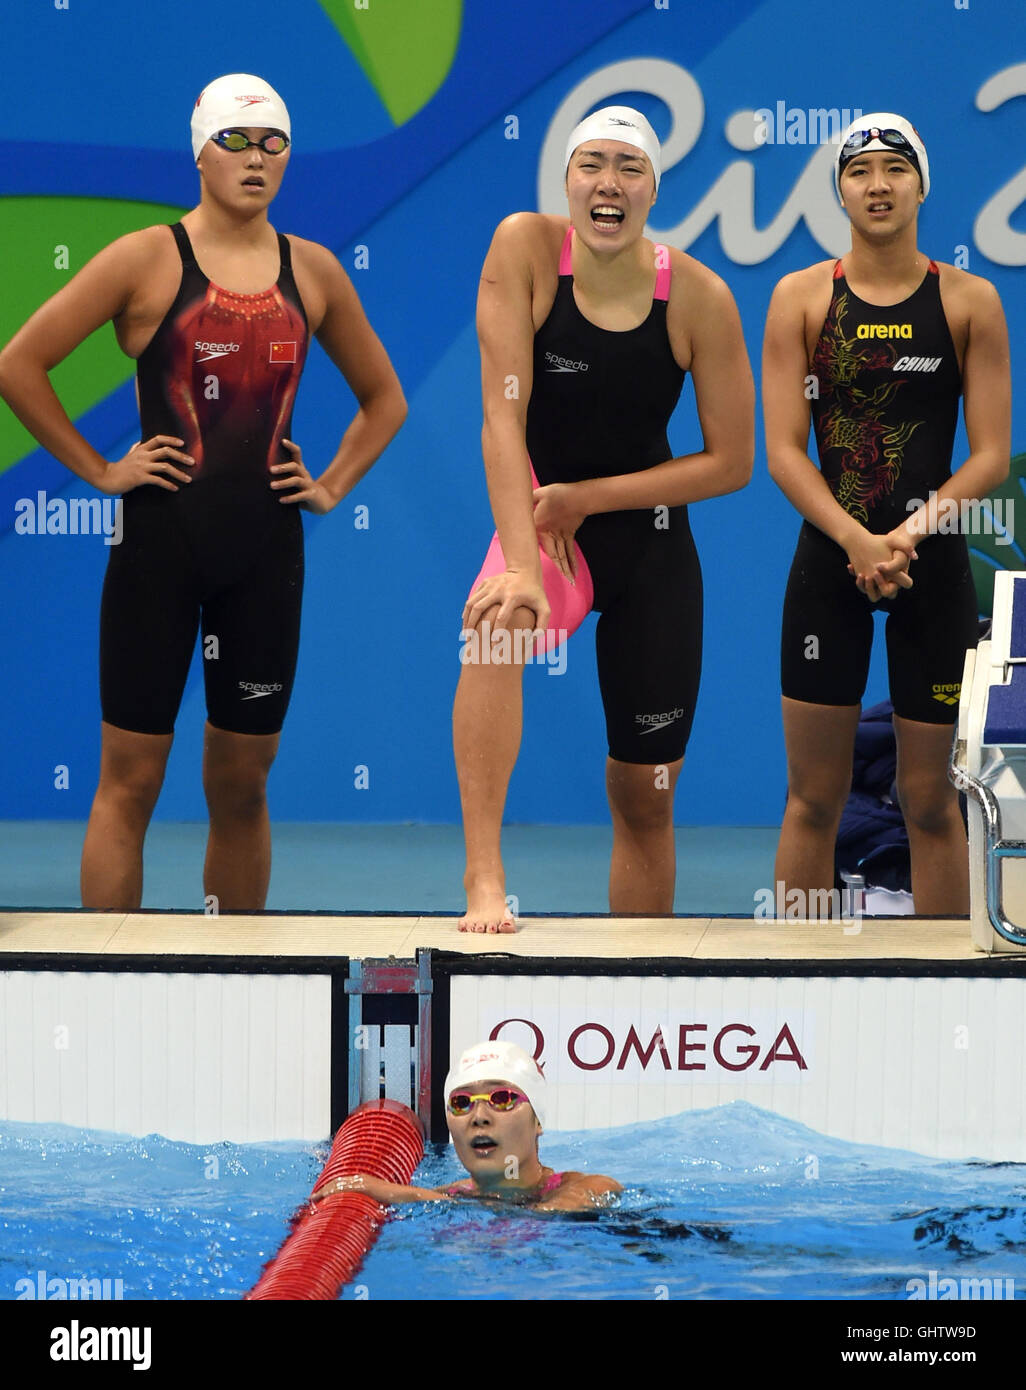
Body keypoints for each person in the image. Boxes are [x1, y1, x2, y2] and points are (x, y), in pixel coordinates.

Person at [0, 74, 406, 912]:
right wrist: (102, 470)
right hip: (160, 549)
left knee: (243, 782)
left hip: (265, 557)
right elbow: (18, 364)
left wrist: (330, 484)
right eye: (236, 142)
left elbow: (385, 401)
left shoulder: (314, 270)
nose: (256, 160)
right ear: (199, 151)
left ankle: (239, 979)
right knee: (131, 779)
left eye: (273, 144)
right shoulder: (147, 259)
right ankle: (109, 993)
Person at [453, 105, 754, 932]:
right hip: (545, 533)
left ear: (653, 188)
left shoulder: (698, 296)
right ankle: (484, 879)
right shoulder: (524, 249)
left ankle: (638, 967)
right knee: (497, 624)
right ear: (567, 181)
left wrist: (592, 497)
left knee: (645, 796)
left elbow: (731, 463)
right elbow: (501, 419)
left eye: (629, 167)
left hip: (647, 547)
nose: (608, 183)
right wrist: (520, 563)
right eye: (592, 164)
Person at [764, 113, 1010, 915]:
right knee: (812, 799)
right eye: (860, 170)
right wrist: (856, 540)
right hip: (828, 563)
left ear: (921, 184)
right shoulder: (800, 298)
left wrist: (902, 538)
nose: (877, 183)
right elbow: (783, 451)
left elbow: (990, 456)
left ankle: (945, 997)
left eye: (894, 169)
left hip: (929, 566)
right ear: (839, 189)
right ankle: (796, 982)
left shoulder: (970, 300)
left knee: (933, 800)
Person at [314, 1040, 621, 1211]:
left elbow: (539, 1217)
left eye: (502, 1098)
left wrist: (393, 1191)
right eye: (461, 1103)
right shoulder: (454, 1195)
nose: (479, 1117)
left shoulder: (590, 1188)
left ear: (538, 1120)